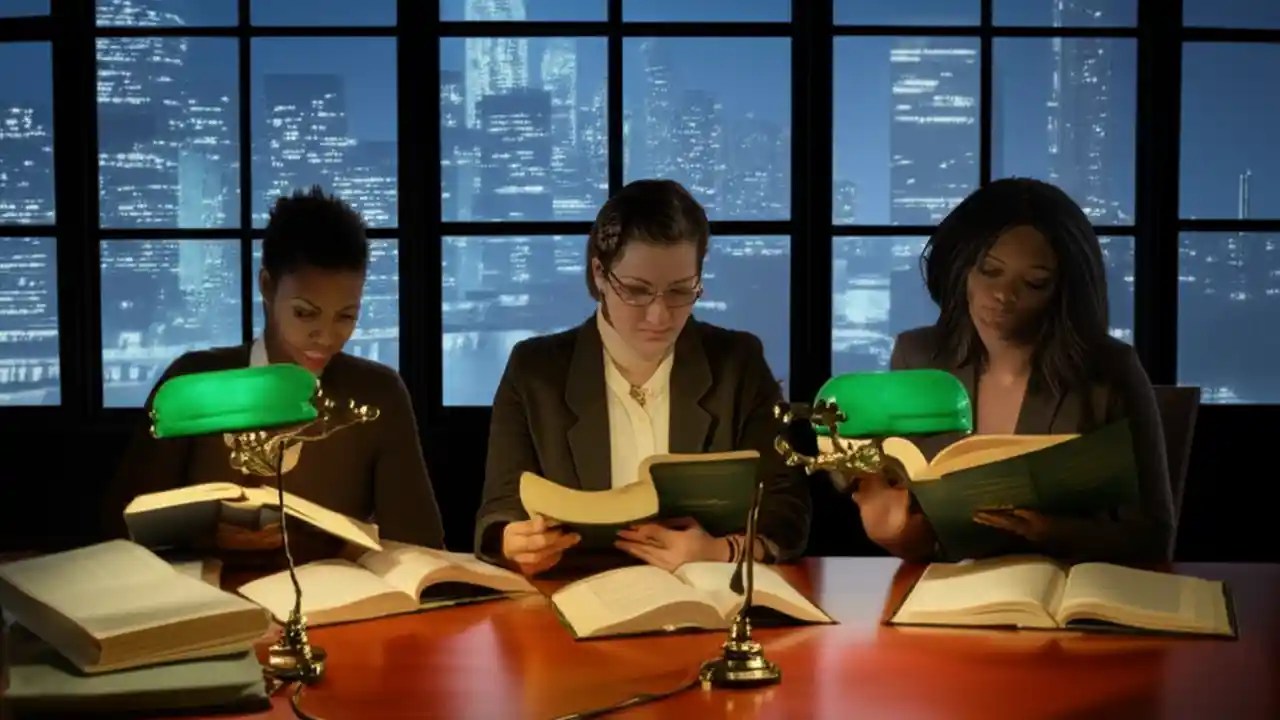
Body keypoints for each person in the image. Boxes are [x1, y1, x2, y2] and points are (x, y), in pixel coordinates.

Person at [475, 178, 811, 576]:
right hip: (573, 596)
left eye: (680, 291)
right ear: (600, 274)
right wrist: (515, 542)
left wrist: (721, 551)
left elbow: (785, 508)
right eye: (637, 290)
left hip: (705, 599)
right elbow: (498, 511)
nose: (659, 315)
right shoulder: (535, 371)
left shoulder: (737, 363)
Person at [104, 186, 445, 558]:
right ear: (267, 285)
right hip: (206, 603)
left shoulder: (377, 394)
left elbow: (421, 546)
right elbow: (115, 533)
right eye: (305, 312)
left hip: (333, 605)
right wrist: (204, 539)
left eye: (346, 316)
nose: (326, 336)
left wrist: (326, 544)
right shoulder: (194, 382)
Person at [850, 177, 1175, 564]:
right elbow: (923, 546)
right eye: (990, 271)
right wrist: (895, 531)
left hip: (1068, 598)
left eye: (1034, 282)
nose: (1004, 295)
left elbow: (1154, 538)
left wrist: (1053, 533)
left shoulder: (1109, 371)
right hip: (952, 601)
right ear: (962, 270)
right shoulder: (917, 357)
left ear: (1062, 292)